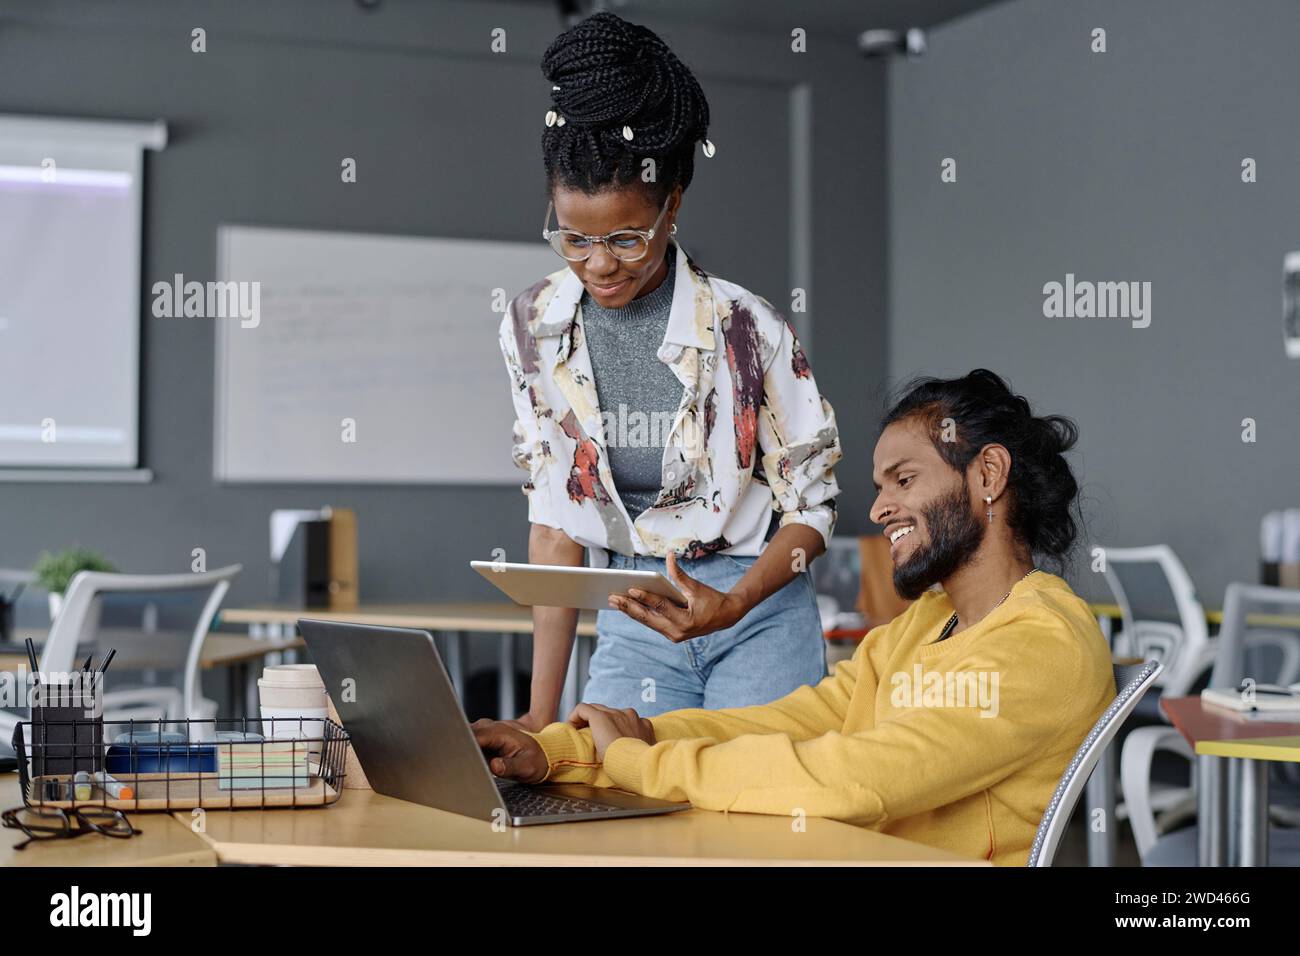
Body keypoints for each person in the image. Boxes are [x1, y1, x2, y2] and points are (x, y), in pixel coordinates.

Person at [475, 369, 1116, 866]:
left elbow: (858, 780)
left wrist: (638, 765)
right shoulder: (924, 625)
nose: (879, 508)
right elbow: (788, 723)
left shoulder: (1045, 641)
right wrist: (561, 753)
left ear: (989, 473)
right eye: (881, 486)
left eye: (903, 480)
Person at [497, 11, 841, 729]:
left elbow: (810, 505)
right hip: (636, 606)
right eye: (573, 237)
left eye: (626, 238)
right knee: (614, 798)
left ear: (672, 205)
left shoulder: (748, 328)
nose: (598, 263)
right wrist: (538, 714)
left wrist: (736, 602)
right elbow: (557, 521)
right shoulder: (534, 324)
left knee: (751, 817)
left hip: (758, 612)